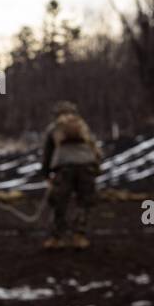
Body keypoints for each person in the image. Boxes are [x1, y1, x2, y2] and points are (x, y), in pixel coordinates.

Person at [41, 101, 101, 250]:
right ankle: (79, 237)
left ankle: (56, 238)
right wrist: (96, 166)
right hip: (86, 166)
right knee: (84, 202)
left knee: (59, 203)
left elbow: (47, 153)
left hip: (64, 167)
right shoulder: (82, 126)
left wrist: (46, 173)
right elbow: (94, 148)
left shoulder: (54, 128)